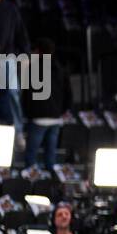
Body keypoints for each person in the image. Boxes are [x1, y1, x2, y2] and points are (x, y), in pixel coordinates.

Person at [22, 38, 69, 170]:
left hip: (38, 118)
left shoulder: (33, 69)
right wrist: (62, 111)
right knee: (50, 158)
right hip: (55, 118)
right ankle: (50, 186)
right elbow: (68, 94)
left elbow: (27, 94)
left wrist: (27, 113)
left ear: (38, 51)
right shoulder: (61, 69)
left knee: (31, 157)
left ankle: (30, 185)